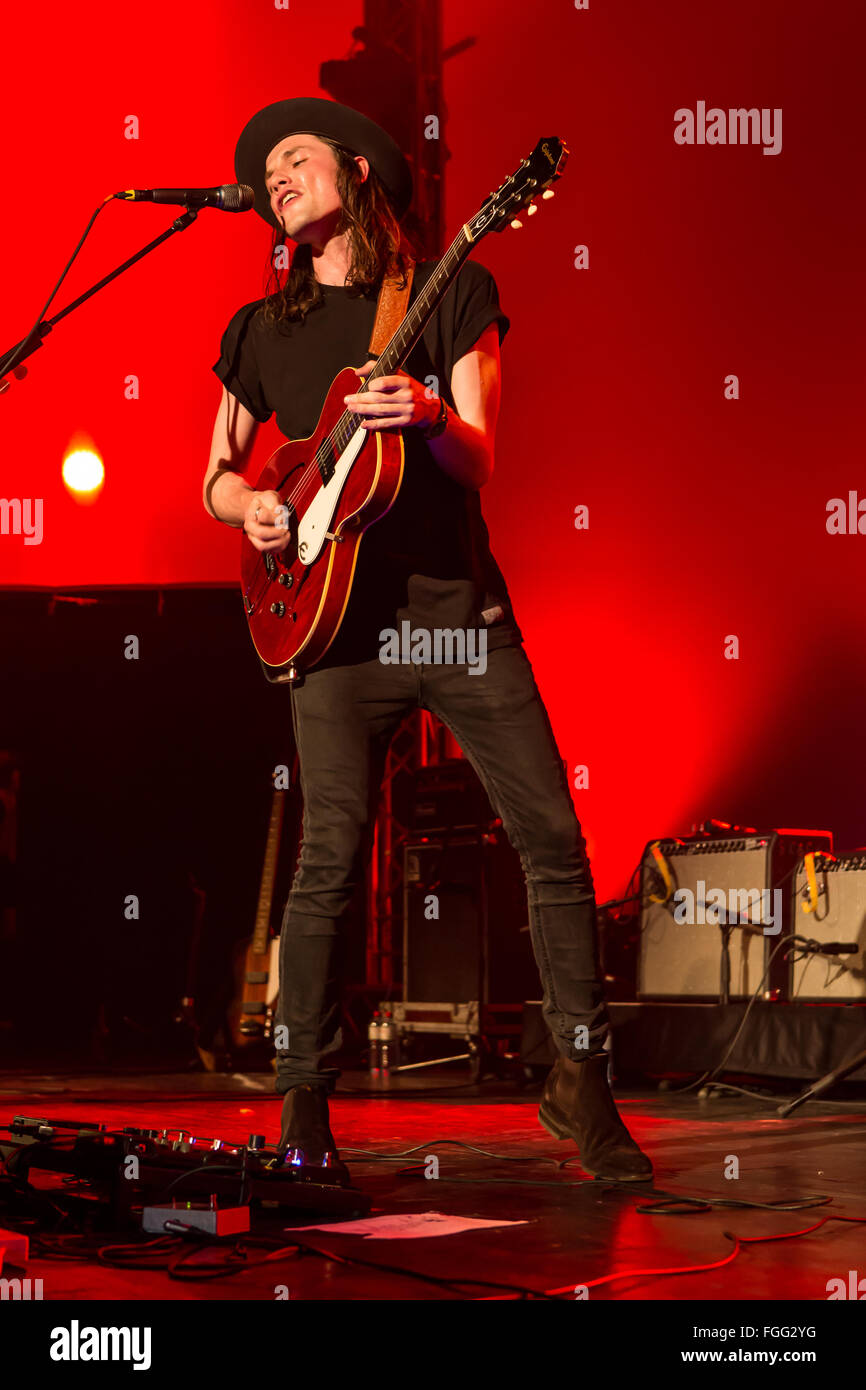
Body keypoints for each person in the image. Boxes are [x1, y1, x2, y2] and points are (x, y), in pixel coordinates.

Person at [203, 98, 652, 1183]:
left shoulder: (453, 290)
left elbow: (480, 457)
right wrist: (248, 506)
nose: (274, 176)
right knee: (328, 859)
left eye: (294, 157)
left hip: (452, 619)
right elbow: (215, 472)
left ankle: (580, 1081)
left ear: (358, 171)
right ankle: (303, 1108)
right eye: (265, 171)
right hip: (330, 628)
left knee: (551, 840)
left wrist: (432, 417)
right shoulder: (260, 330)